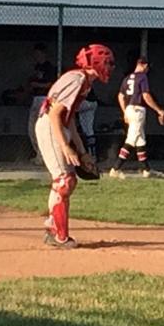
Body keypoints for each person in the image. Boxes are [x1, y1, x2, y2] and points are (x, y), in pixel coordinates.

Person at [34, 43, 115, 248]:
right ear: (95, 62)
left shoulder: (85, 83)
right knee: (64, 180)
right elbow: (54, 114)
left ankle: (53, 227)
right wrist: (66, 146)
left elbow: (69, 119)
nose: (110, 67)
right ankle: (59, 235)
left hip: (59, 127)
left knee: (67, 182)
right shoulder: (77, 79)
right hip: (50, 126)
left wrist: (81, 151)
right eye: (107, 62)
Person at [110, 56, 164, 179]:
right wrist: (159, 110)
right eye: (147, 67)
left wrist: (124, 112)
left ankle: (147, 170)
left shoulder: (127, 78)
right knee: (131, 139)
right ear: (144, 65)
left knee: (140, 140)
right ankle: (116, 168)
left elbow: (120, 96)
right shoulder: (142, 77)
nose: (147, 70)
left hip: (129, 109)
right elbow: (146, 95)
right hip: (137, 110)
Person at [26, 43, 58, 159]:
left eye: (38, 53)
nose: (36, 56)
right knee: (31, 129)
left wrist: (36, 84)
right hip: (36, 98)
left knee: (42, 128)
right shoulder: (36, 68)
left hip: (44, 98)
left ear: (44, 54)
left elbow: (51, 84)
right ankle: (39, 153)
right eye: (35, 54)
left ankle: (43, 155)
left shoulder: (49, 67)